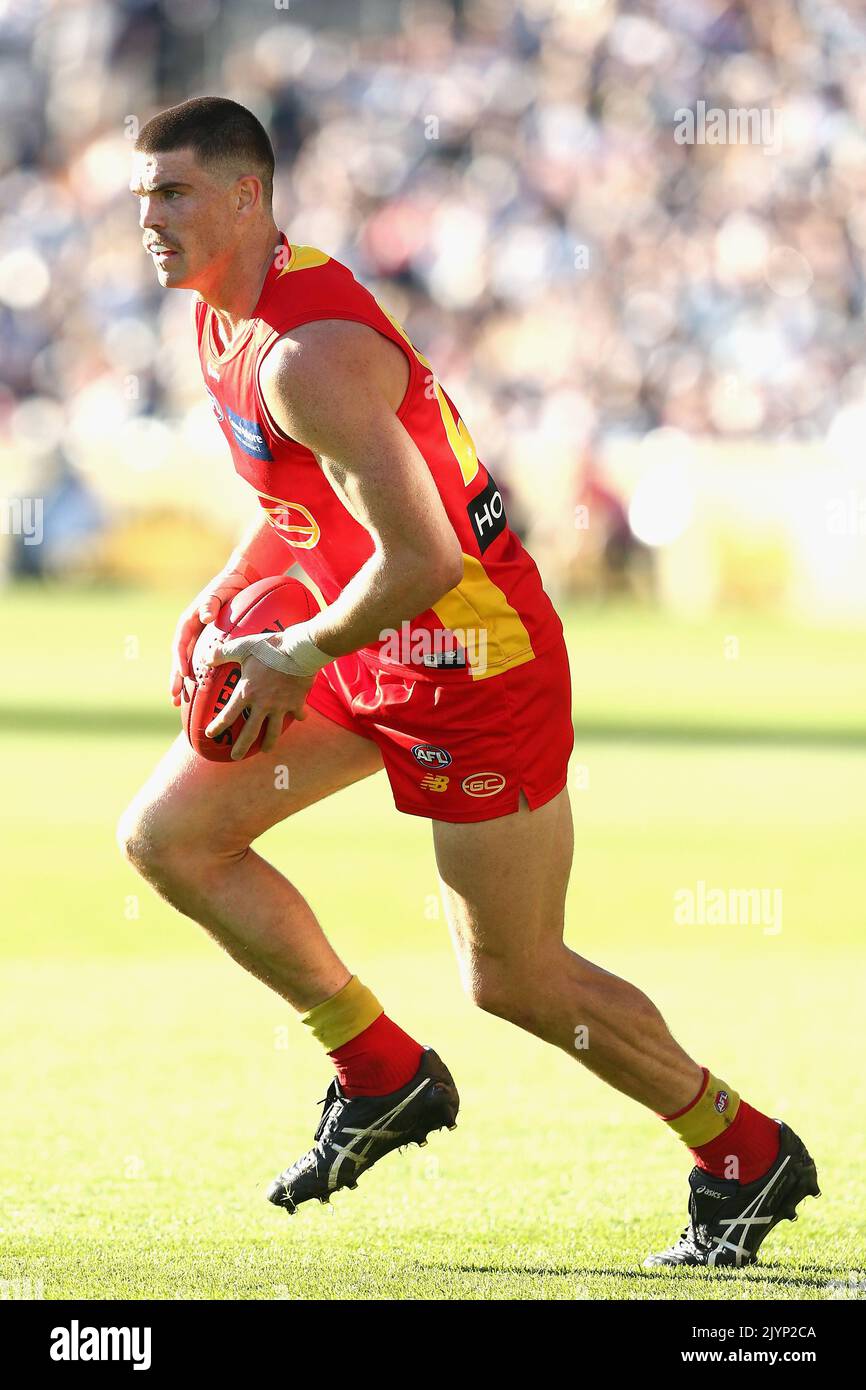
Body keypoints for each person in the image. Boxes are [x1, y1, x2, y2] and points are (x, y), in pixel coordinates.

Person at [118, 97, 819, 1267]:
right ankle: (381, 1071)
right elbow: (306, 508)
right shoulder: (220, 318)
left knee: (511, 975)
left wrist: (297, 648)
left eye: (174, 192)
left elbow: (426, 556)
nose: (149, 218)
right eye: (142, 195)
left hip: (469, 658)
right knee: (168, 837)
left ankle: (741, 1150)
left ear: (247, 195)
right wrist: (226, 589)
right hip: (370, 642)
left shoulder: (304, 353)